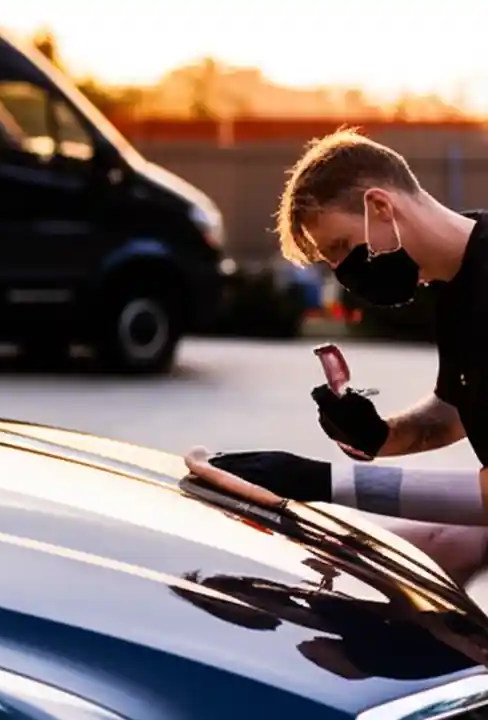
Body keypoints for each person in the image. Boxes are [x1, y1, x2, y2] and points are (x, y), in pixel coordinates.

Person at [187, 127, 488, 586]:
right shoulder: (457, 288)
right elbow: (454, 412)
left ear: (380, 206)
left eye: (342, 246)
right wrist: (380, 435)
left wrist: (323, 482)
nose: (346, 274)